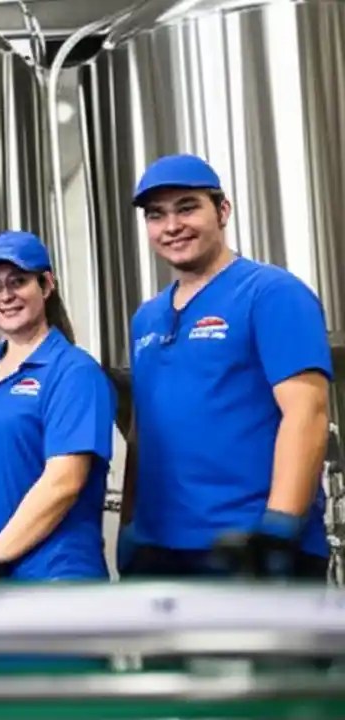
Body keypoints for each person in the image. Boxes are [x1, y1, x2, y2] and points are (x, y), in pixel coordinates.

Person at [120, 154, 332, 579]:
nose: (172, 226)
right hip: (161, 551)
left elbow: (307, 414)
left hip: (250, 549)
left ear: (222, 210)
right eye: (156, 215)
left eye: (187, 207)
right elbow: (142, 432)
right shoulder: (146, 318)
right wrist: (130, 525)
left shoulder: (272, 294)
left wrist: (278, 529)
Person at [0, 231, 114, 584]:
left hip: (50, 582)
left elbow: (63, 482)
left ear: (46, 284)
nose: (5, 296)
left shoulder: (73, 372)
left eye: (17, 282)